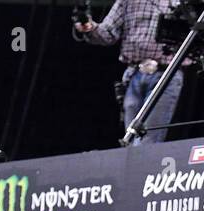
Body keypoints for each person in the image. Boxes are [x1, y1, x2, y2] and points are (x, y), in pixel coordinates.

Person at [75, 0, 186, 144]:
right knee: (131, 139)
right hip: (134, 74)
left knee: (149, 140)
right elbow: (108, 33)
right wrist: (89, 27)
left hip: (166, 74)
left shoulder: (181, 2)